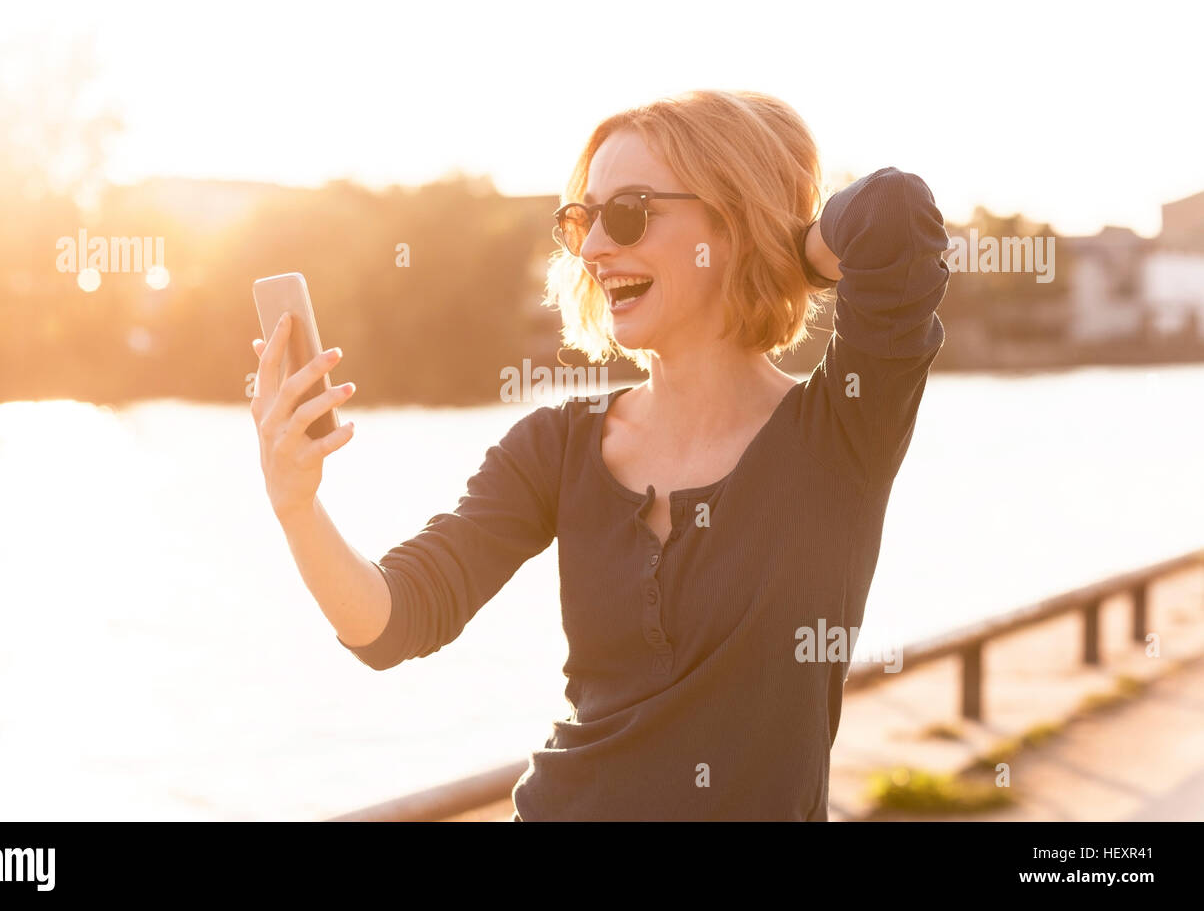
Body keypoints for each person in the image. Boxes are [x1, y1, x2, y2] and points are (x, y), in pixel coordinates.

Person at [249, 89, 950, 820]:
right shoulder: (556, 447)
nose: (590, 250)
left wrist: (778, 250)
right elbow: (393, 621)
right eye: (582, 220)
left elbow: (893, 211)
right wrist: (297, 506)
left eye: (628, 212)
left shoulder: (843, 430)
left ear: (730, 221)